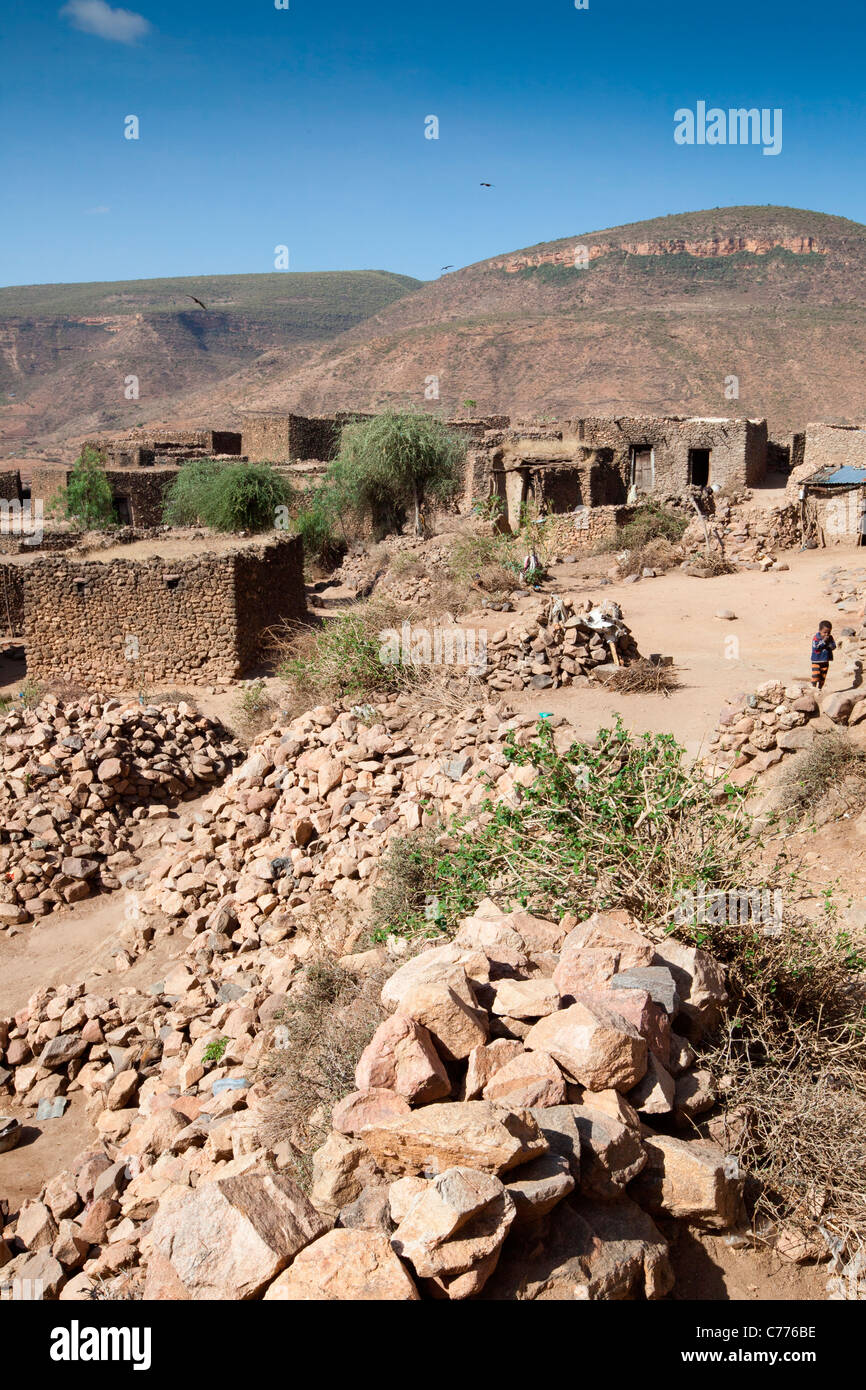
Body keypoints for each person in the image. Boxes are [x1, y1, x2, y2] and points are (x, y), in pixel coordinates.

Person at [811, 620, 836, 690]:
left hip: (825, 660)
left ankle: (819, 689)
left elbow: (834, 646)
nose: (826, 634)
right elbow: (816, 647)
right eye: (824, 632)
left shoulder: (830, 638)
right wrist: (823, 641)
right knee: (815, 675)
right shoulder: (816, 638)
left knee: (823, 677)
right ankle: (813, 689)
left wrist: (830, 645)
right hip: (816, 660)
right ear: (819, 630)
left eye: (829, 632)